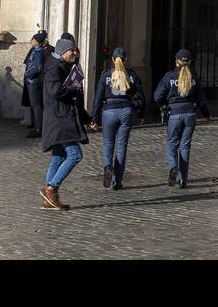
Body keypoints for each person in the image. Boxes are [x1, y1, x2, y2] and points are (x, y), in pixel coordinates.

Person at [40, 38, 87, 210]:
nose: (74, 53)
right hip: (59, 119)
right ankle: (51, 188)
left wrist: (87, 118)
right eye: (71, 51)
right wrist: (74, 88)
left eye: (75, 51)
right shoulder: (54, 68)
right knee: (75, 155)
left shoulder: (63, 66)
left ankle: (48, 200)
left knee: (58, 157)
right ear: (63, 52)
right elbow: (55, 91)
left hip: (61, 117)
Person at [90, 47, 145, 190]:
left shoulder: (105, 75)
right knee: (121, 147)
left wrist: (94, 119)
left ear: (113, 60)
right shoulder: (131, 76)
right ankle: (117, 181)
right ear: (125, 60)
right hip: (126, 111)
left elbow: (97, 99)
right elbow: (140, 97)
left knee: (108, 144)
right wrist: (141, 114)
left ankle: (107, 167)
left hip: (108, 111)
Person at [154, 49, 209, 188]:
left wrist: (164, 104)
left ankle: (174, 168)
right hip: (190, 114)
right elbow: (201, 99)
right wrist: (207, 114)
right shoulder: (193, 78)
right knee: (185, 147)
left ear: (176, 61)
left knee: (172, 144)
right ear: (190, 62)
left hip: (174, 114)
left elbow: (157, 96)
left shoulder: (169, 77)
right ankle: (183, 179)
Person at [22, 32, 49, 138]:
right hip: (37, 82)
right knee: (37, 105)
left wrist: (28, 75)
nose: (31, 41)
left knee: (36, 105)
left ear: (36, 41)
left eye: (32, 39)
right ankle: (38, 127)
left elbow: (37, 67)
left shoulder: (38, 51)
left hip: (35, 82)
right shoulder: (40, 51)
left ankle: (38, 129)